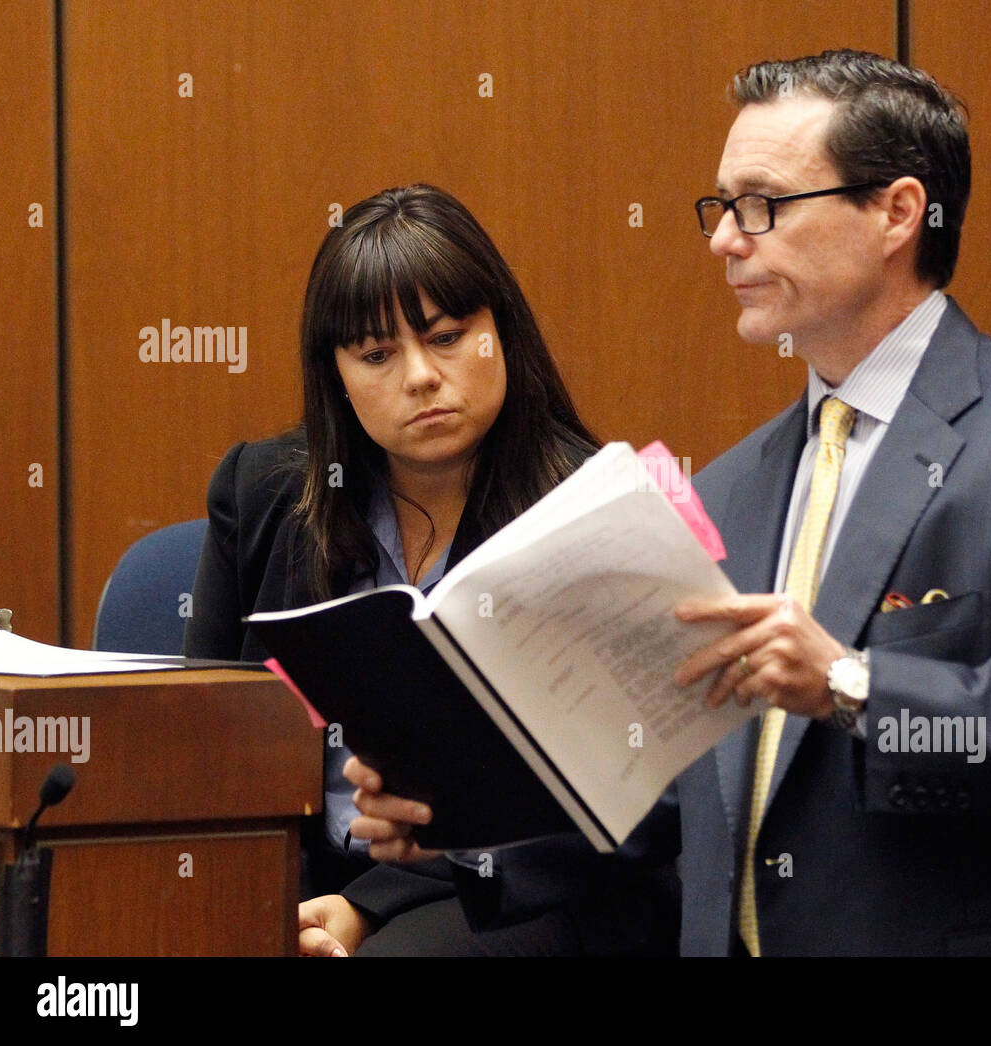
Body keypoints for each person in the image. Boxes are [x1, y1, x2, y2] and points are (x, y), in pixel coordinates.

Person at [349, 51, 991, 956]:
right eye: (720, 208)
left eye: (761, 205)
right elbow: (683, 792)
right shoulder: (730, 486)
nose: (725, 239)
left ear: (896, 212)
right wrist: (464, 834)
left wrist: (851, 685)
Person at [184, 184, 677, 956]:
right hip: (306, 873)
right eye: (376, 354)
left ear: (500, 333)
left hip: (525, 891)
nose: (419, 376)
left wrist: (365, 909)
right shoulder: (264, 491)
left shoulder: (592, 513)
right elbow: (205, 736)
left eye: (447, 337)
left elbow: (621, 806)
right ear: (337, 375)